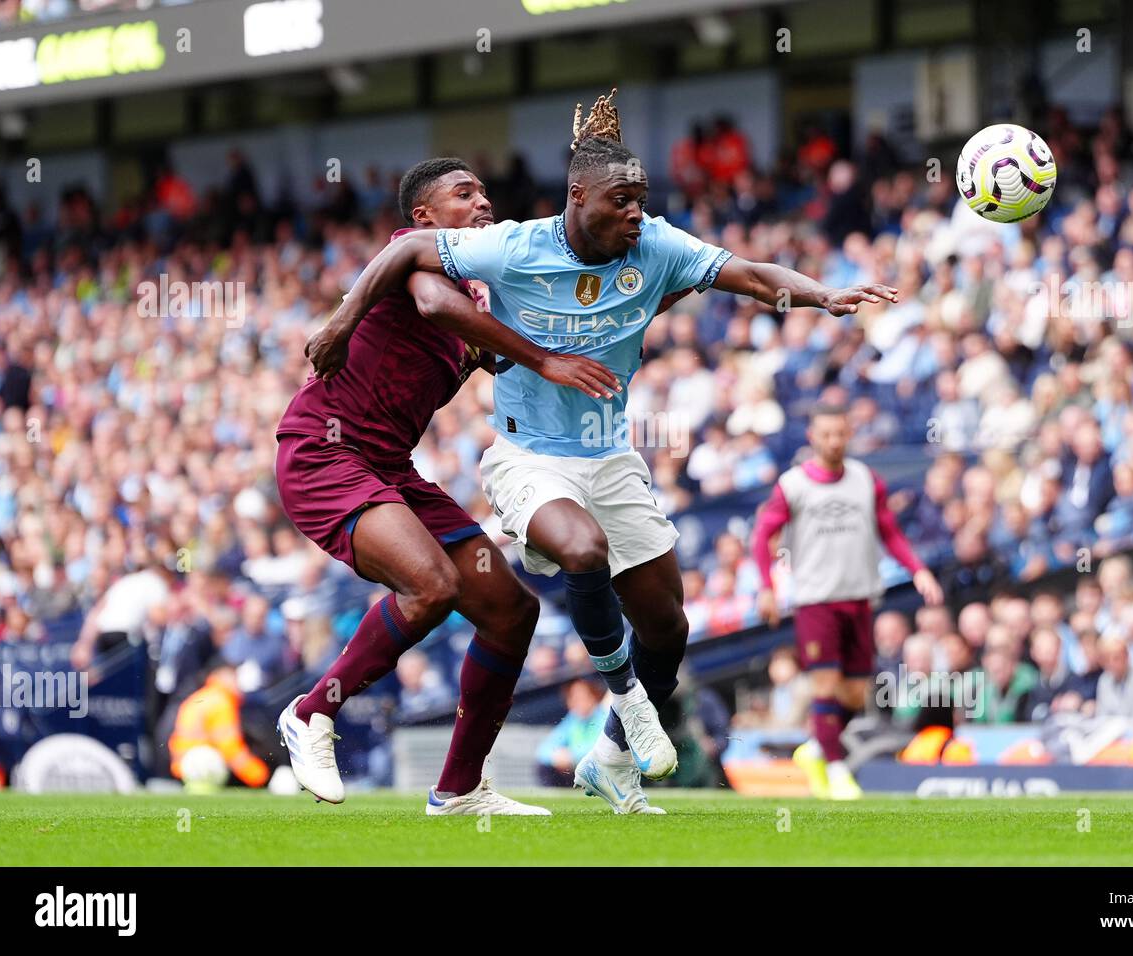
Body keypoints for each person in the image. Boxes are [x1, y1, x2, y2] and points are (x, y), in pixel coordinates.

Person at [306, 89, 898, 815]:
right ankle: (319, 713)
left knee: (665, 626)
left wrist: (823, 293)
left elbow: (752, 275)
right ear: (578, 196)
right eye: (623, 199)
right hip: (524, 460)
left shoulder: (650, 247)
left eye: (642, 199)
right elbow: (410, 268)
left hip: (609, 459)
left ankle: (604, 757)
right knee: (568, 554)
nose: (637, 213)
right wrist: (344, 322)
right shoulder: (507, 251)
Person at [275, 157, 620, 815]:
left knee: (511, 611)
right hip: (325, 454)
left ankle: (459, 788)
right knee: (432, 585)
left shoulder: (481, 301)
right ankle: (313, 711)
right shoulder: (421, 264)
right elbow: (428, 291)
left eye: (486, 193)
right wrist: (345, 321)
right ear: (426, 218)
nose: (483, 202)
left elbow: (528, 337)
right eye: (464, 194)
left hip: (392, 471)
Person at [751, 404, 941, 799]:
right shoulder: (793, 485)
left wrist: (917, 569)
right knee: (825, 685)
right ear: (813, 437)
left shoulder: (865, 480)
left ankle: (817, 749)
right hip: (816, 599)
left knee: (855, 694)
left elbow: (889, 532)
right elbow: (762, 535)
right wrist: (767, 586)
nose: (834, 441)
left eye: (841, 433)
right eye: (826, 434)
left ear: (849, 434)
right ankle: (837, 770)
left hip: (860, 596)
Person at [169, 663, 270, 789]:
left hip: (183, 767)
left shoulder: (201, 696)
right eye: (234, 677)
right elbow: (229, 746)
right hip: (203, 765)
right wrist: (260, 776)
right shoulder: (221, 701)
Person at [535, 679, 608, 788]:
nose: (579, 702)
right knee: (544, 766)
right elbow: (543, 749)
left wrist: (571, 756)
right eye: (574, 698)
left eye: (583, 697)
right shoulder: (573, 719)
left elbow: (600, 750)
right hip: (574, 768)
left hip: (598, 771)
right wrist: (556, 756)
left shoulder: (604, 716)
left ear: (594, 696)